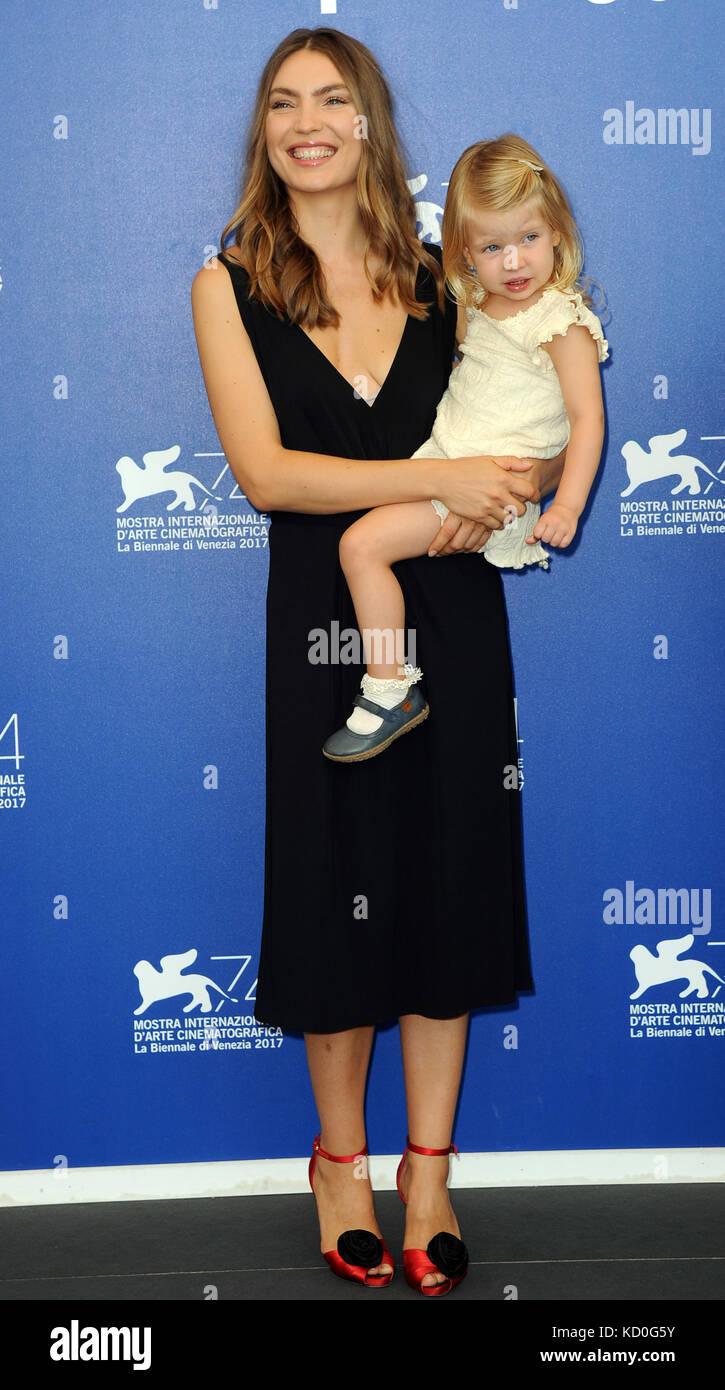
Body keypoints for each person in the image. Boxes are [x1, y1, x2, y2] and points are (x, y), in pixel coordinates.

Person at [191, 27, 566, 1296]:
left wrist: (501, 489)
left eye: (332, 100)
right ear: (265, 130)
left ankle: (428, 1172)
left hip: (454, 613)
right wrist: (435, 478)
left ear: (366, 123)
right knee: (334, 885)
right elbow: (268, 475)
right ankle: (338, 1166)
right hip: (323, 631)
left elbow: (526, 414)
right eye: (283, 102)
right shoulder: (228, 281)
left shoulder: (439, 271)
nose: (308, 121)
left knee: (448, 884)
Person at [323, 133, 608, 763]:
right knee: (362, 545)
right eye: (493, 247)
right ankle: (389, 685)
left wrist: (568, 507)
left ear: (556, 231)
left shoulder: (561, 321)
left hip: (492, 485)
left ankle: (388, 687)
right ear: (466, 256)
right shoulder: (477, 310)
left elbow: (588, 421)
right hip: (443, 469)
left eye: (528, 239)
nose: (514, 262)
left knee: (359, 545)